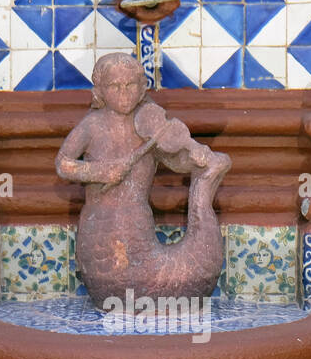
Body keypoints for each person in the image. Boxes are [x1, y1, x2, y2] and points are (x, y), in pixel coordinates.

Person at [56, 53, 228, 307]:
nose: (124, 93)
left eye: (130, 85)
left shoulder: (150, 128)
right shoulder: (92, 125)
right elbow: (63, 163)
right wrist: (101, 172)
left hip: (139, 229)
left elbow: (176, 161)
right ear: (100, 91)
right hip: (103, 234)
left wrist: (197, 155)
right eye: (115, 86)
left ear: (142, 89)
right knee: (119, 290)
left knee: (171, 287)